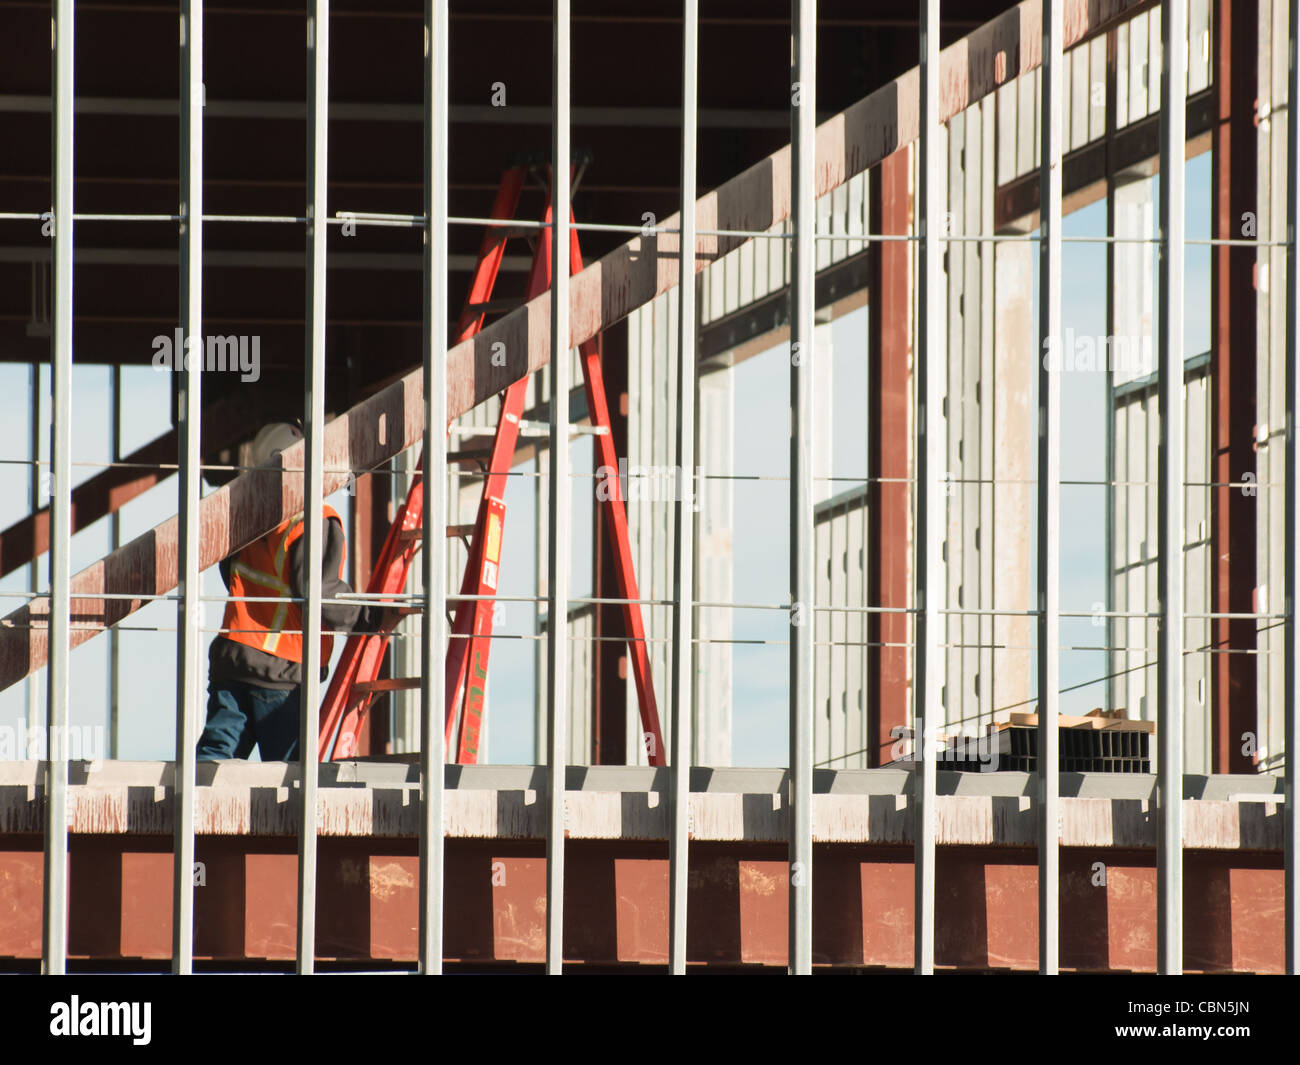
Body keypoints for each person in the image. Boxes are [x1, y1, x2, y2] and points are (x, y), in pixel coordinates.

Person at [196, 422, 392, 761]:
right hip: (282, 670)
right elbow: (321, 593)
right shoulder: (313, 520)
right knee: (288, 783)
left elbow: (231, 572)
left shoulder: (245, 512)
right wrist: (371, 615)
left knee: (215, 761)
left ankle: (191, 815)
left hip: (233, 659)